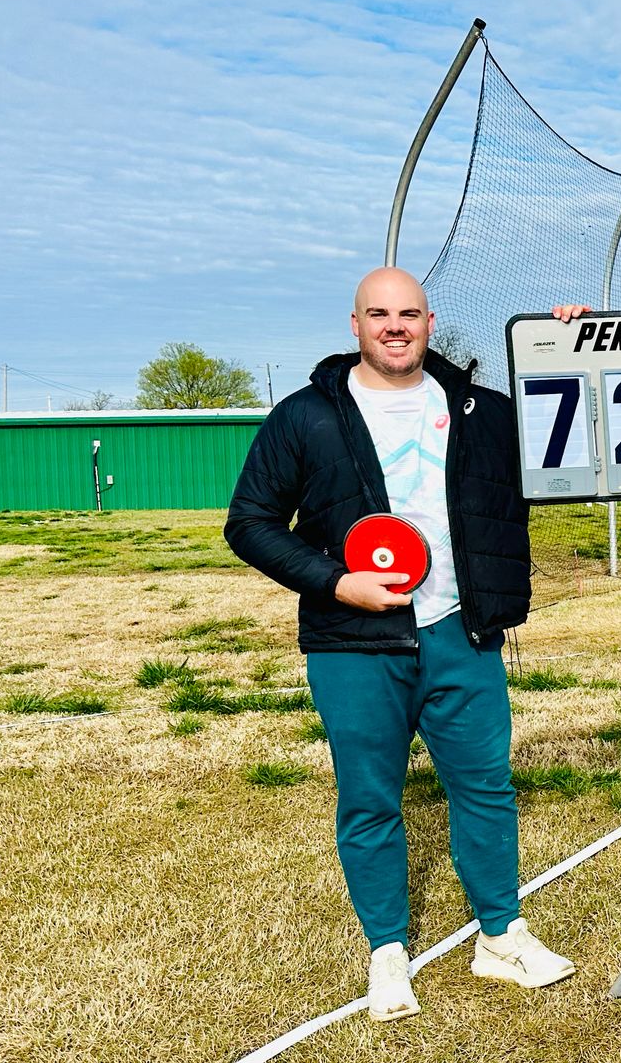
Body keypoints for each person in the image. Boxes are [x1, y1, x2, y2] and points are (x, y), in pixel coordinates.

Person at [225, 267, 575, 1022]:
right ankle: (388, 951)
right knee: (370, 800)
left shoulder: (481, 411)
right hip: (354, 643)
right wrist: (333, 582)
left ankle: (501, 937)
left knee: (486, 789)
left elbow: (568, 449)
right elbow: (248, 523)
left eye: (408, 313)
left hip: (462, 630)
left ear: (429, 320)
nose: (394, 326)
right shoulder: (306, 417)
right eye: (378, 314)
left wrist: (563, 350)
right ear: (352, 324)